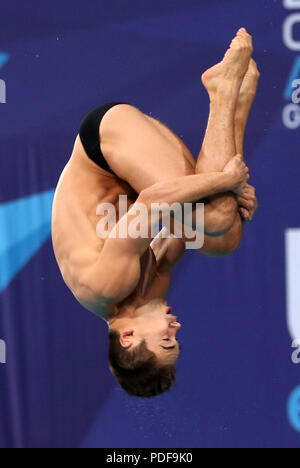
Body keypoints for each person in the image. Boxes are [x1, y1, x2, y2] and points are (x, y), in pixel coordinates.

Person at [52, 28, 259, 398]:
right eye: (176, 341)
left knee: (213, 216)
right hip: (129, 176)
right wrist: (235, 196)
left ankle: (225, 91)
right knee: (223, 237)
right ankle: (237, 102)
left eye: (166, 341)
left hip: (104, 143)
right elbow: (183, 231)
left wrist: (225, 180)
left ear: (128, 337)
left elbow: (152, 202)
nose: (176, 327)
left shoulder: (106, 286)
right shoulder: (151, 294)